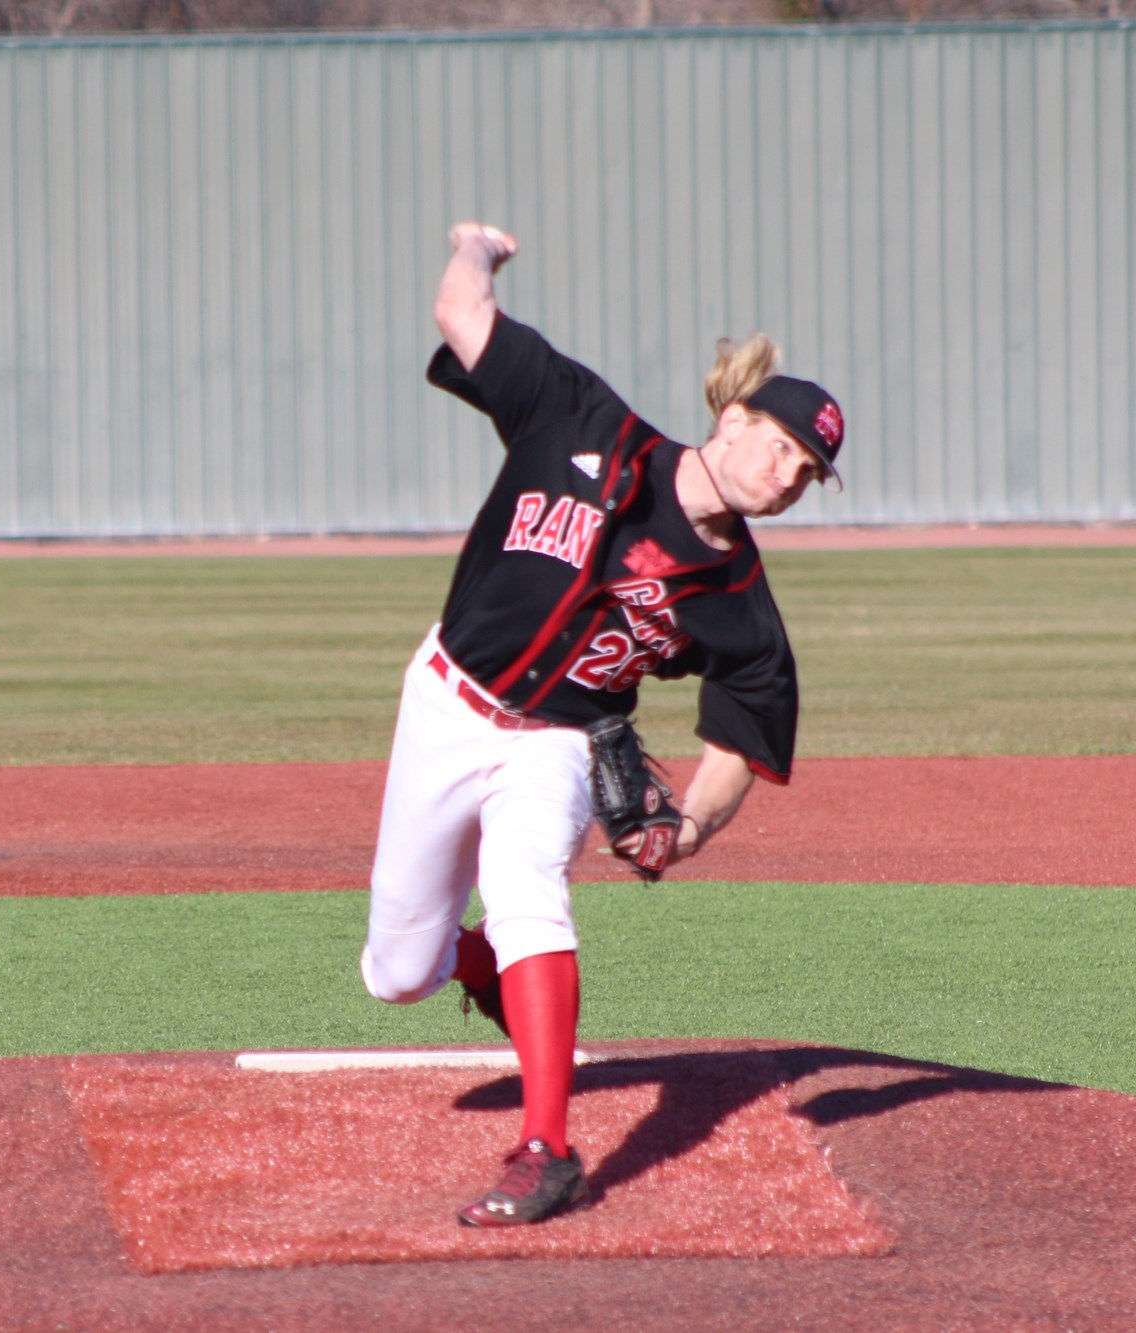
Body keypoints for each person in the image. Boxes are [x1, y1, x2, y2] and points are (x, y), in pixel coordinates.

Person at [359, 220, 846, 1228]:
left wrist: (688, 828)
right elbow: (460, 313)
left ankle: (545, 1148)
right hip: (445, 698)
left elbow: (738, 744)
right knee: (396, 972)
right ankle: (485, 968)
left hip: (560, 741)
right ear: (733, 416)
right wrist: (474, 250)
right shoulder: (579, 417)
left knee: (528, 890)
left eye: (808, 473)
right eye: (783, 447)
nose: (788, 476)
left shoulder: (737, 600)